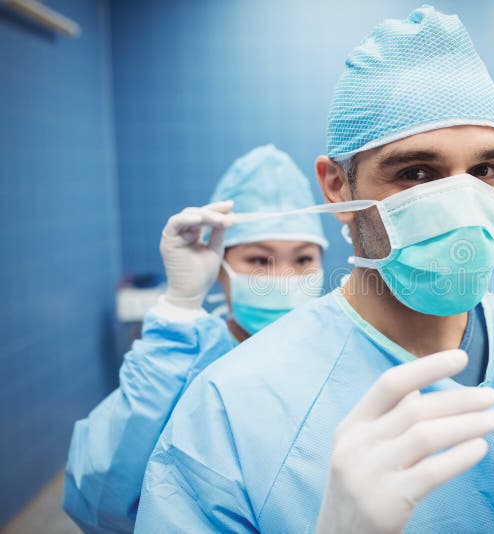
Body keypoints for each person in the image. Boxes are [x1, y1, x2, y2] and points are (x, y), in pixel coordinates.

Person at [136, 7, 494, 533]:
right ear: (337, 185)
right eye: (417, 174)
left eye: (486, 170)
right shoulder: (233, 410)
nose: (462, 202)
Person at [63, 145, 328, 532]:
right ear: (219, 267)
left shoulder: (337, 355)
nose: (283, 277)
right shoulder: (183, 364)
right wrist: (179, 307)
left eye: (303, 259)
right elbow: (100, 498)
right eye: (259, 260)